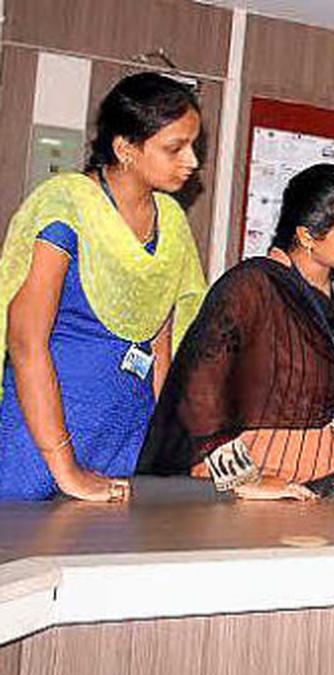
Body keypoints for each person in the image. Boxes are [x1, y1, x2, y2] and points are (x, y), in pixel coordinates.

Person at [0, 73, 207, 502]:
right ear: (125, 148)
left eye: (193, 146)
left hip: (127, 430)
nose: (191, 161)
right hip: (47, 430)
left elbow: (160, 346)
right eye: (175, 148)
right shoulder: (65, 207)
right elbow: (25, 343)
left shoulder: (170, 222)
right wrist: (66, 467)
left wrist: (165, 443)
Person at [138, 165, 334, 500]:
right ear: (306, 236)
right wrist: (245, 480)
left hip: (329, 487)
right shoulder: (251, 287)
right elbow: (201, 385)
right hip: (245, 493)